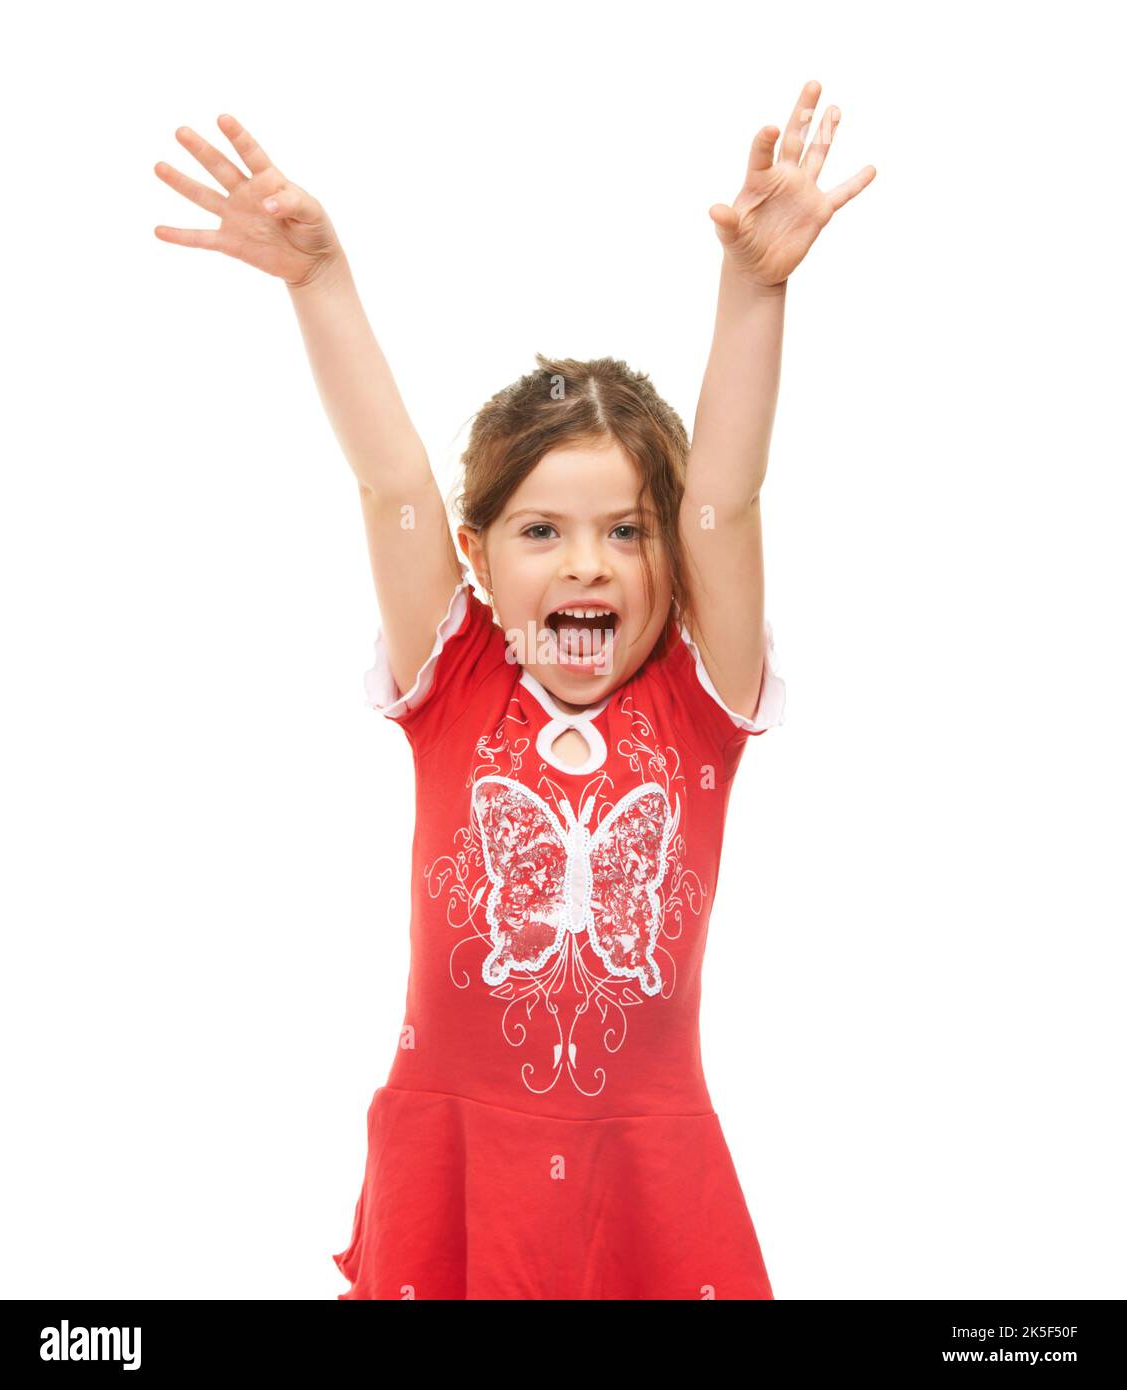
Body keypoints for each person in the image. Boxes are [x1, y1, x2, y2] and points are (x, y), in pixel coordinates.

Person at [154, 79, 875, 1300]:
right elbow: (391, 478)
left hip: (645, 1173)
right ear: (480, 559)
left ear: (676, 569)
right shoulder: (456, 681)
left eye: (627, 533)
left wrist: (756, 288)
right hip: (455, 1159)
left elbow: (727, 499)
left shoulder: (700, 702)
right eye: (542, 531)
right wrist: (317, 279)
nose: (587, 561)